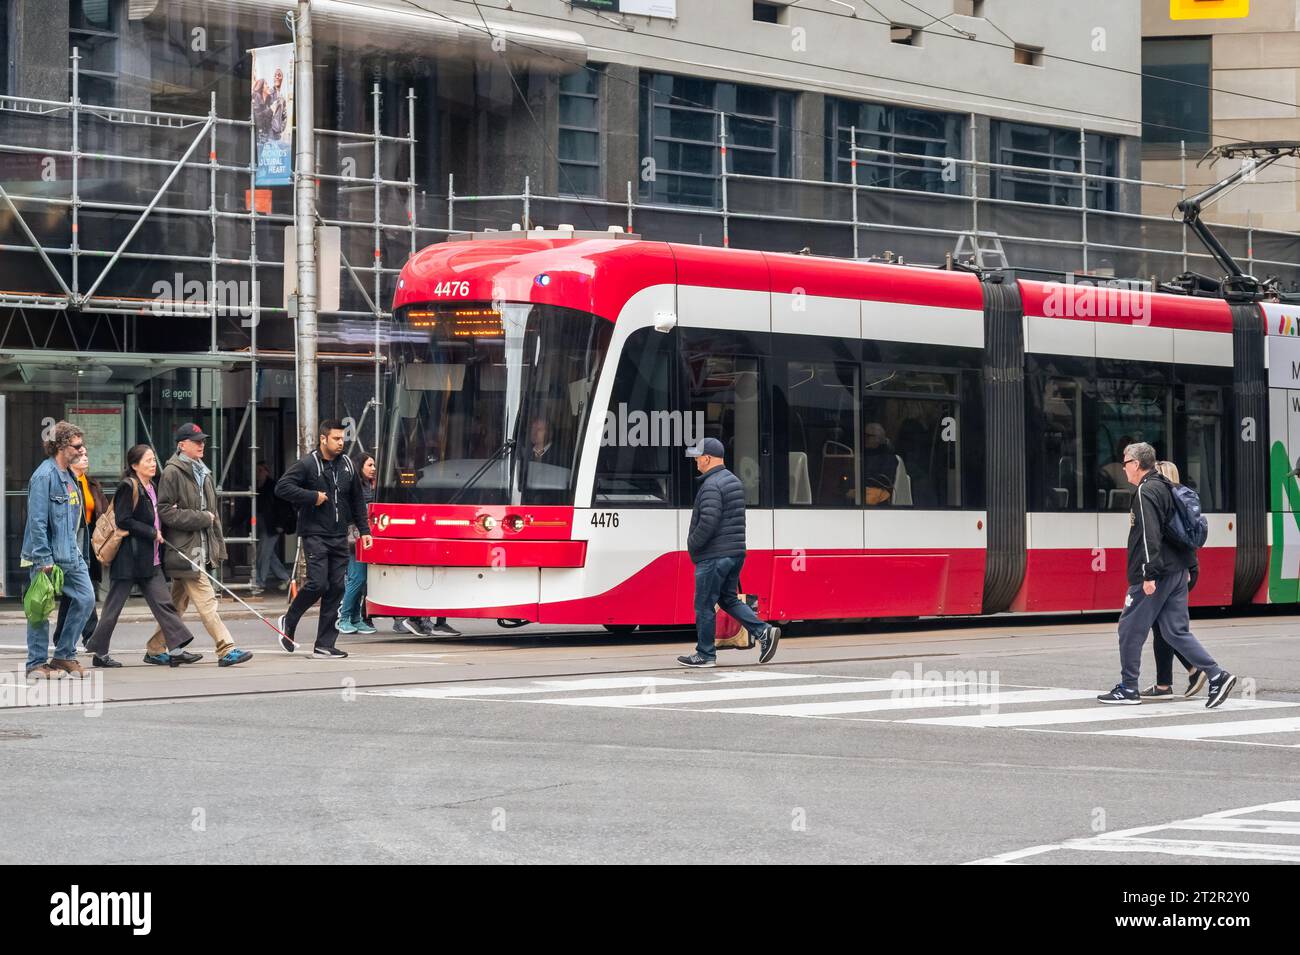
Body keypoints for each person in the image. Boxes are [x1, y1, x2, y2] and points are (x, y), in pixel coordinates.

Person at [1097, 442, 1236, 707]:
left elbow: (1150, 536)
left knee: (1129, 629)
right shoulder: (1167, 485)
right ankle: (1217, 675)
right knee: (1175, 631)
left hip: (1156, 574)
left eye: (1125, 462)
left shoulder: (1145, 491)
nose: (1123, 467)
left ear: (1136, 464)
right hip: (1178, 570)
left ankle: (1128, 688)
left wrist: (1148, 574)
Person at [143, 424, 253, 668]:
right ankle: (226, 648)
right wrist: (201, 518)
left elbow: (210, 513)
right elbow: (165, 512)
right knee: (207, 601)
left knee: (176, 606)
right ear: (182, 445)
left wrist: (215, 541)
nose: (201, 444)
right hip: (184, 550)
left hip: (199, 547)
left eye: (202, 440)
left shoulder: (203, 471)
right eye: (195, 441)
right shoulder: (173, 472)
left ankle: (154, 648)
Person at [85, 445, 201, 667]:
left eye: (153, 459)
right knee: (113, 608)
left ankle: (175, 651)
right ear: (134, 465)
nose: (153, 463)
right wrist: (151, 532)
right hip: (129, 559)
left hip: (150, 559)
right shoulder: (127, 487)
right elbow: (123, 520)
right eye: (147, 460)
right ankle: (100, 655)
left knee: (164, 604)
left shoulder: (152, 487)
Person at [677, 437, 780, 668]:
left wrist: (693, 544)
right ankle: (764, 632)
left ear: (707, 458)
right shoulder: (732, 481)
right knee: (727, 599)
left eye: (698, 457)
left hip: (714, 555)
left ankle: (705, 654)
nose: (696, 462)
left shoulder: (712, 485)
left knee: (703, 605)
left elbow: (709, 522)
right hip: (734, 553)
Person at [274, 420, 372, 659]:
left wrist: (365, 530)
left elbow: (358, 500)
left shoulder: (348, 465)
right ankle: (289, 619)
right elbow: (282, 487)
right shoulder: (308, 464)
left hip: (339, 535)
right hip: (314, 534)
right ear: (323, 439)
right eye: (336, 439)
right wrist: (312, 496)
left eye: (343, 439)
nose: (341, 443)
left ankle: (324, 644)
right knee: (318, 583)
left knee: (337, 587)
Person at [20, 421, 96, 680]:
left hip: (71, 554)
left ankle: (64, 654)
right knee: (41, 608)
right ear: (61, 446)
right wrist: (43, 558)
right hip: (48, 557)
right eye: (76, 445)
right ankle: (36, 663)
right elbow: (37, 521)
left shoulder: (70, 476)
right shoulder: (44, 476)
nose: (81, 449)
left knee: (86, 599)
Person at [1140, 460, 1207, 701]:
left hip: (1175, 571)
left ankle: (1194, 669)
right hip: (1186, 568)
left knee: (1165, 628)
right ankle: (1168, 682)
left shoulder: (1164, 501)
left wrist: (1150, 573)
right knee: (1163, 628)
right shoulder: (1182, 501)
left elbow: (1159, 541)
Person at [51, 445, 104, 653]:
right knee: (83, 590)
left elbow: (102, 510)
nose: (85, 459)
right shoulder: (66, 482)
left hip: (88, 539)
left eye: (86, 456)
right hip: (72, 539)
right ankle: (91, 636)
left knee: (76, 592)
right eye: (80, 456)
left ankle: (62, 637)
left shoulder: (90, 483)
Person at [338, 452, 379, 635]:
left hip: (363, 537)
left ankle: (355, 618)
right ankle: (344, 618)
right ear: (359, 467)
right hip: (354, 537)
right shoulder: (357, 488)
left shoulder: (368, 486)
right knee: (357, 578)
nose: (373, 469)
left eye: (374, 465)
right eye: (369, 465)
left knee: (361, 580)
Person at [250, 461, 292, 595]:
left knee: (264, 554)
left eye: (261, 470)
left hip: (272, 524)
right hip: (260, 523)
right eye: (257, 470)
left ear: (267, 472)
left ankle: (260, 582)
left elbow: (282, 507)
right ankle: (286, 577)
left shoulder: (273, 486)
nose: (258, 473)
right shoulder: (256, 486)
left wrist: (280, 524)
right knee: (269, 554)